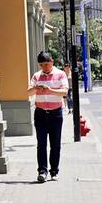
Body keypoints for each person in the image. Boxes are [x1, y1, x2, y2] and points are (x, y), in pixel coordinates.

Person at [29, 51, 68, 183]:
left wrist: (49, 90)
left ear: (52, 62)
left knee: (55, 144)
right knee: (41, 144)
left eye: (46, 64)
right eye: (42, 65)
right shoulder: (36, 76)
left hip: (55, 113)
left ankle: (54, 171)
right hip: (40, 113)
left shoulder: (60, 74)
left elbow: (64, 91)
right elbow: (28, 92)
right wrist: (36, 88)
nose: (44, 67)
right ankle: (42, 171)